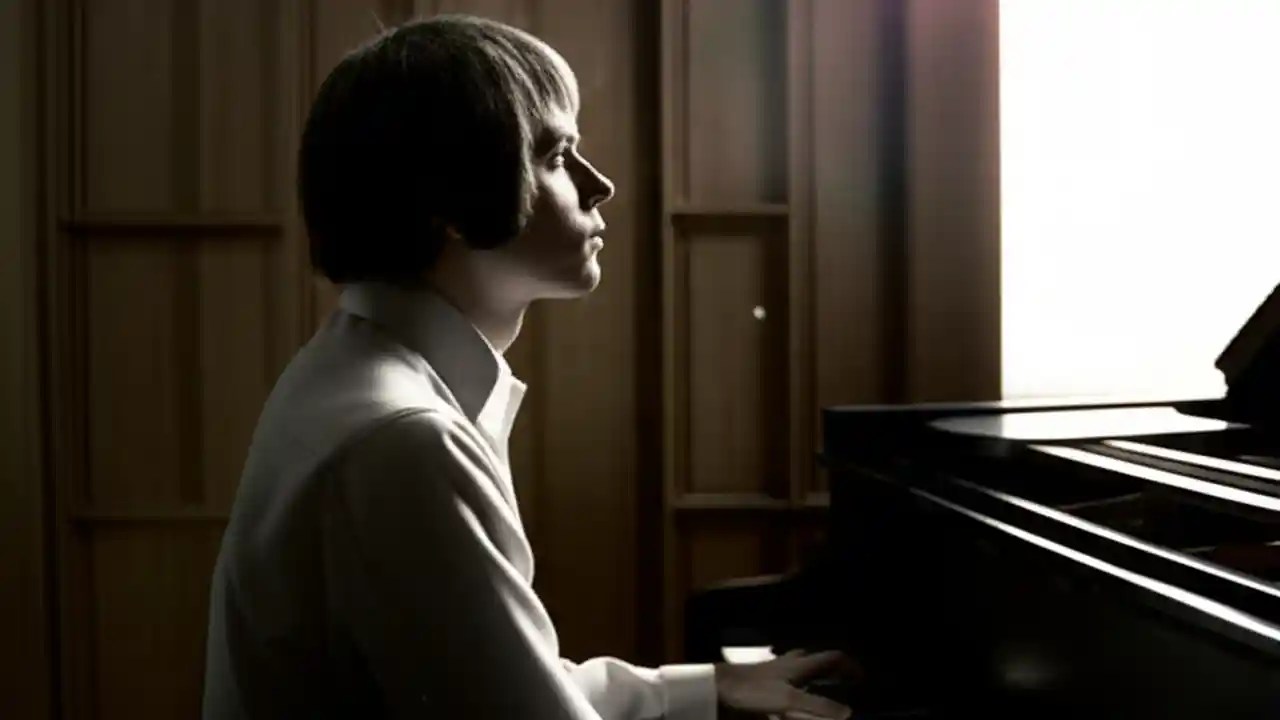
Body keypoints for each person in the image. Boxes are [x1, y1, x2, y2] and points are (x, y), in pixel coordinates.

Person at [202, 14, 853, 720]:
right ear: (450, 201)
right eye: (555, 155)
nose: (599, 184)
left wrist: (702, 689)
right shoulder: (402, 439)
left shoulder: (355, 369)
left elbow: (490, 673)